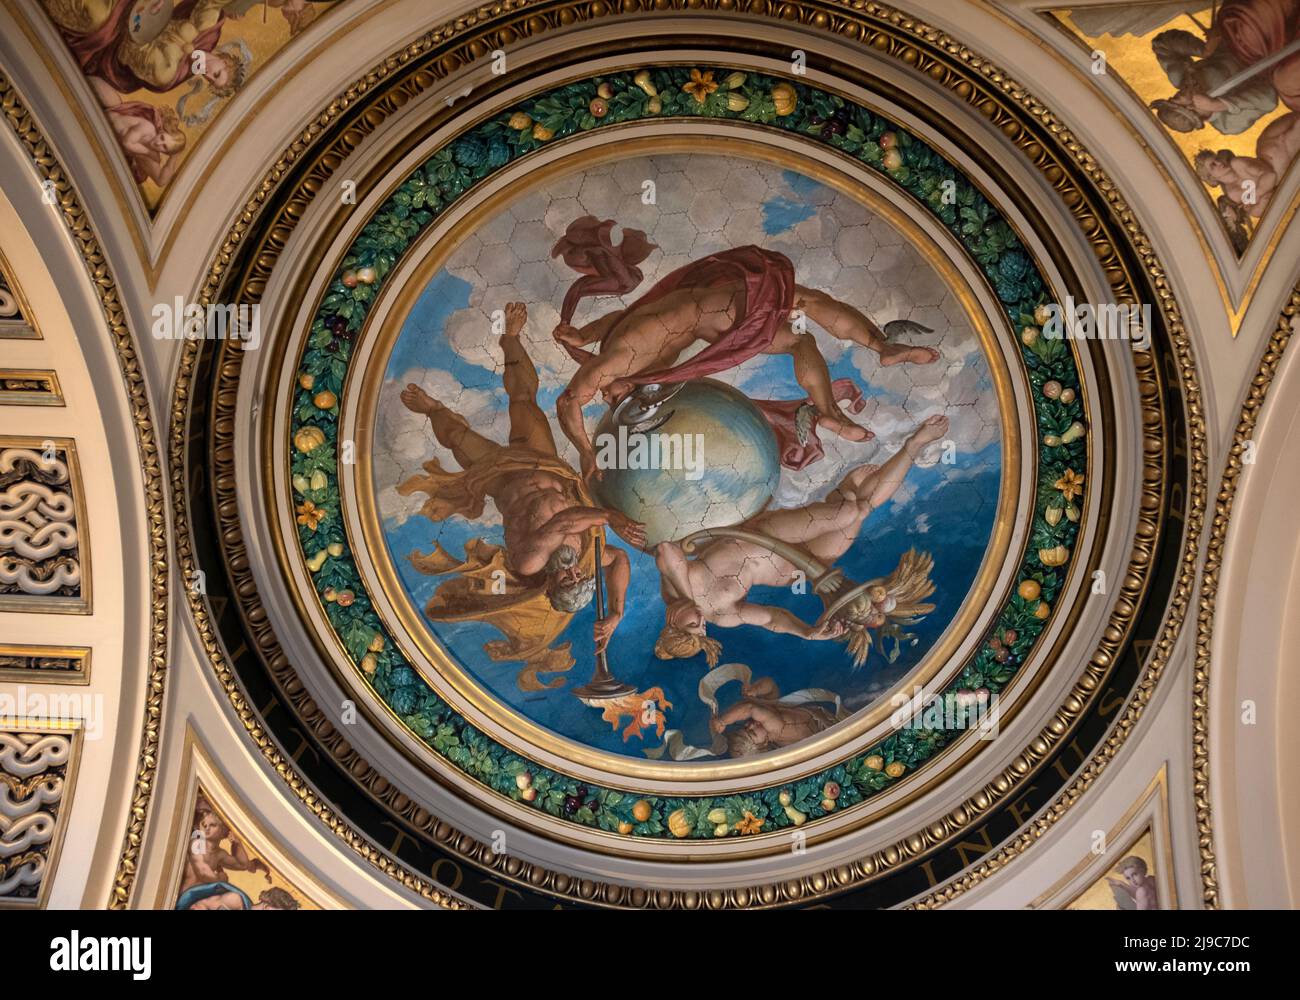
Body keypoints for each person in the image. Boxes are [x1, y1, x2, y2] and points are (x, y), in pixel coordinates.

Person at [549, 217, 939, 481]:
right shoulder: (631, 361)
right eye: (615, 402)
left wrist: (585, 450)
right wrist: (581, 336)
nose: (608, 396)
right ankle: (839, 398)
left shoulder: (617, 361)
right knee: (804, 314)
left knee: (802, 323)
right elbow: (622, 316)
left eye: (609, 399)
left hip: (718, 307)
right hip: (719, 318)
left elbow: (568, 401)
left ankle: (869, 361)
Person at [398, 302, 644, 654]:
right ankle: (510, 340)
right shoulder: (588, 557)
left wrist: (609, 518)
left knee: (456, 438)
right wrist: (617, 612)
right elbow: (619, 560)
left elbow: (561, 523)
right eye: (579, 577)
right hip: (544, 465)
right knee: (524, 400)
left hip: (501, 477)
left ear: (551, 584)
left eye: (566, 580)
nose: (573, 572)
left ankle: (433, 410)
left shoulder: (530, 562)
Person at [651, 414, 947, 666]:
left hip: (768, 536)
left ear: (673, 622)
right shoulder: (722, 617)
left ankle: (849, 490)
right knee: (861, 512)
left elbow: (666, 549)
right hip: (790, 571)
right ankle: (913, 446)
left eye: (693, 625)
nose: (702, 623)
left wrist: (686, 592)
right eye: (702, 631)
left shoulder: (676, 587)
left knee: (849, 511)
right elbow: (771, 619)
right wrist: (806, 632)